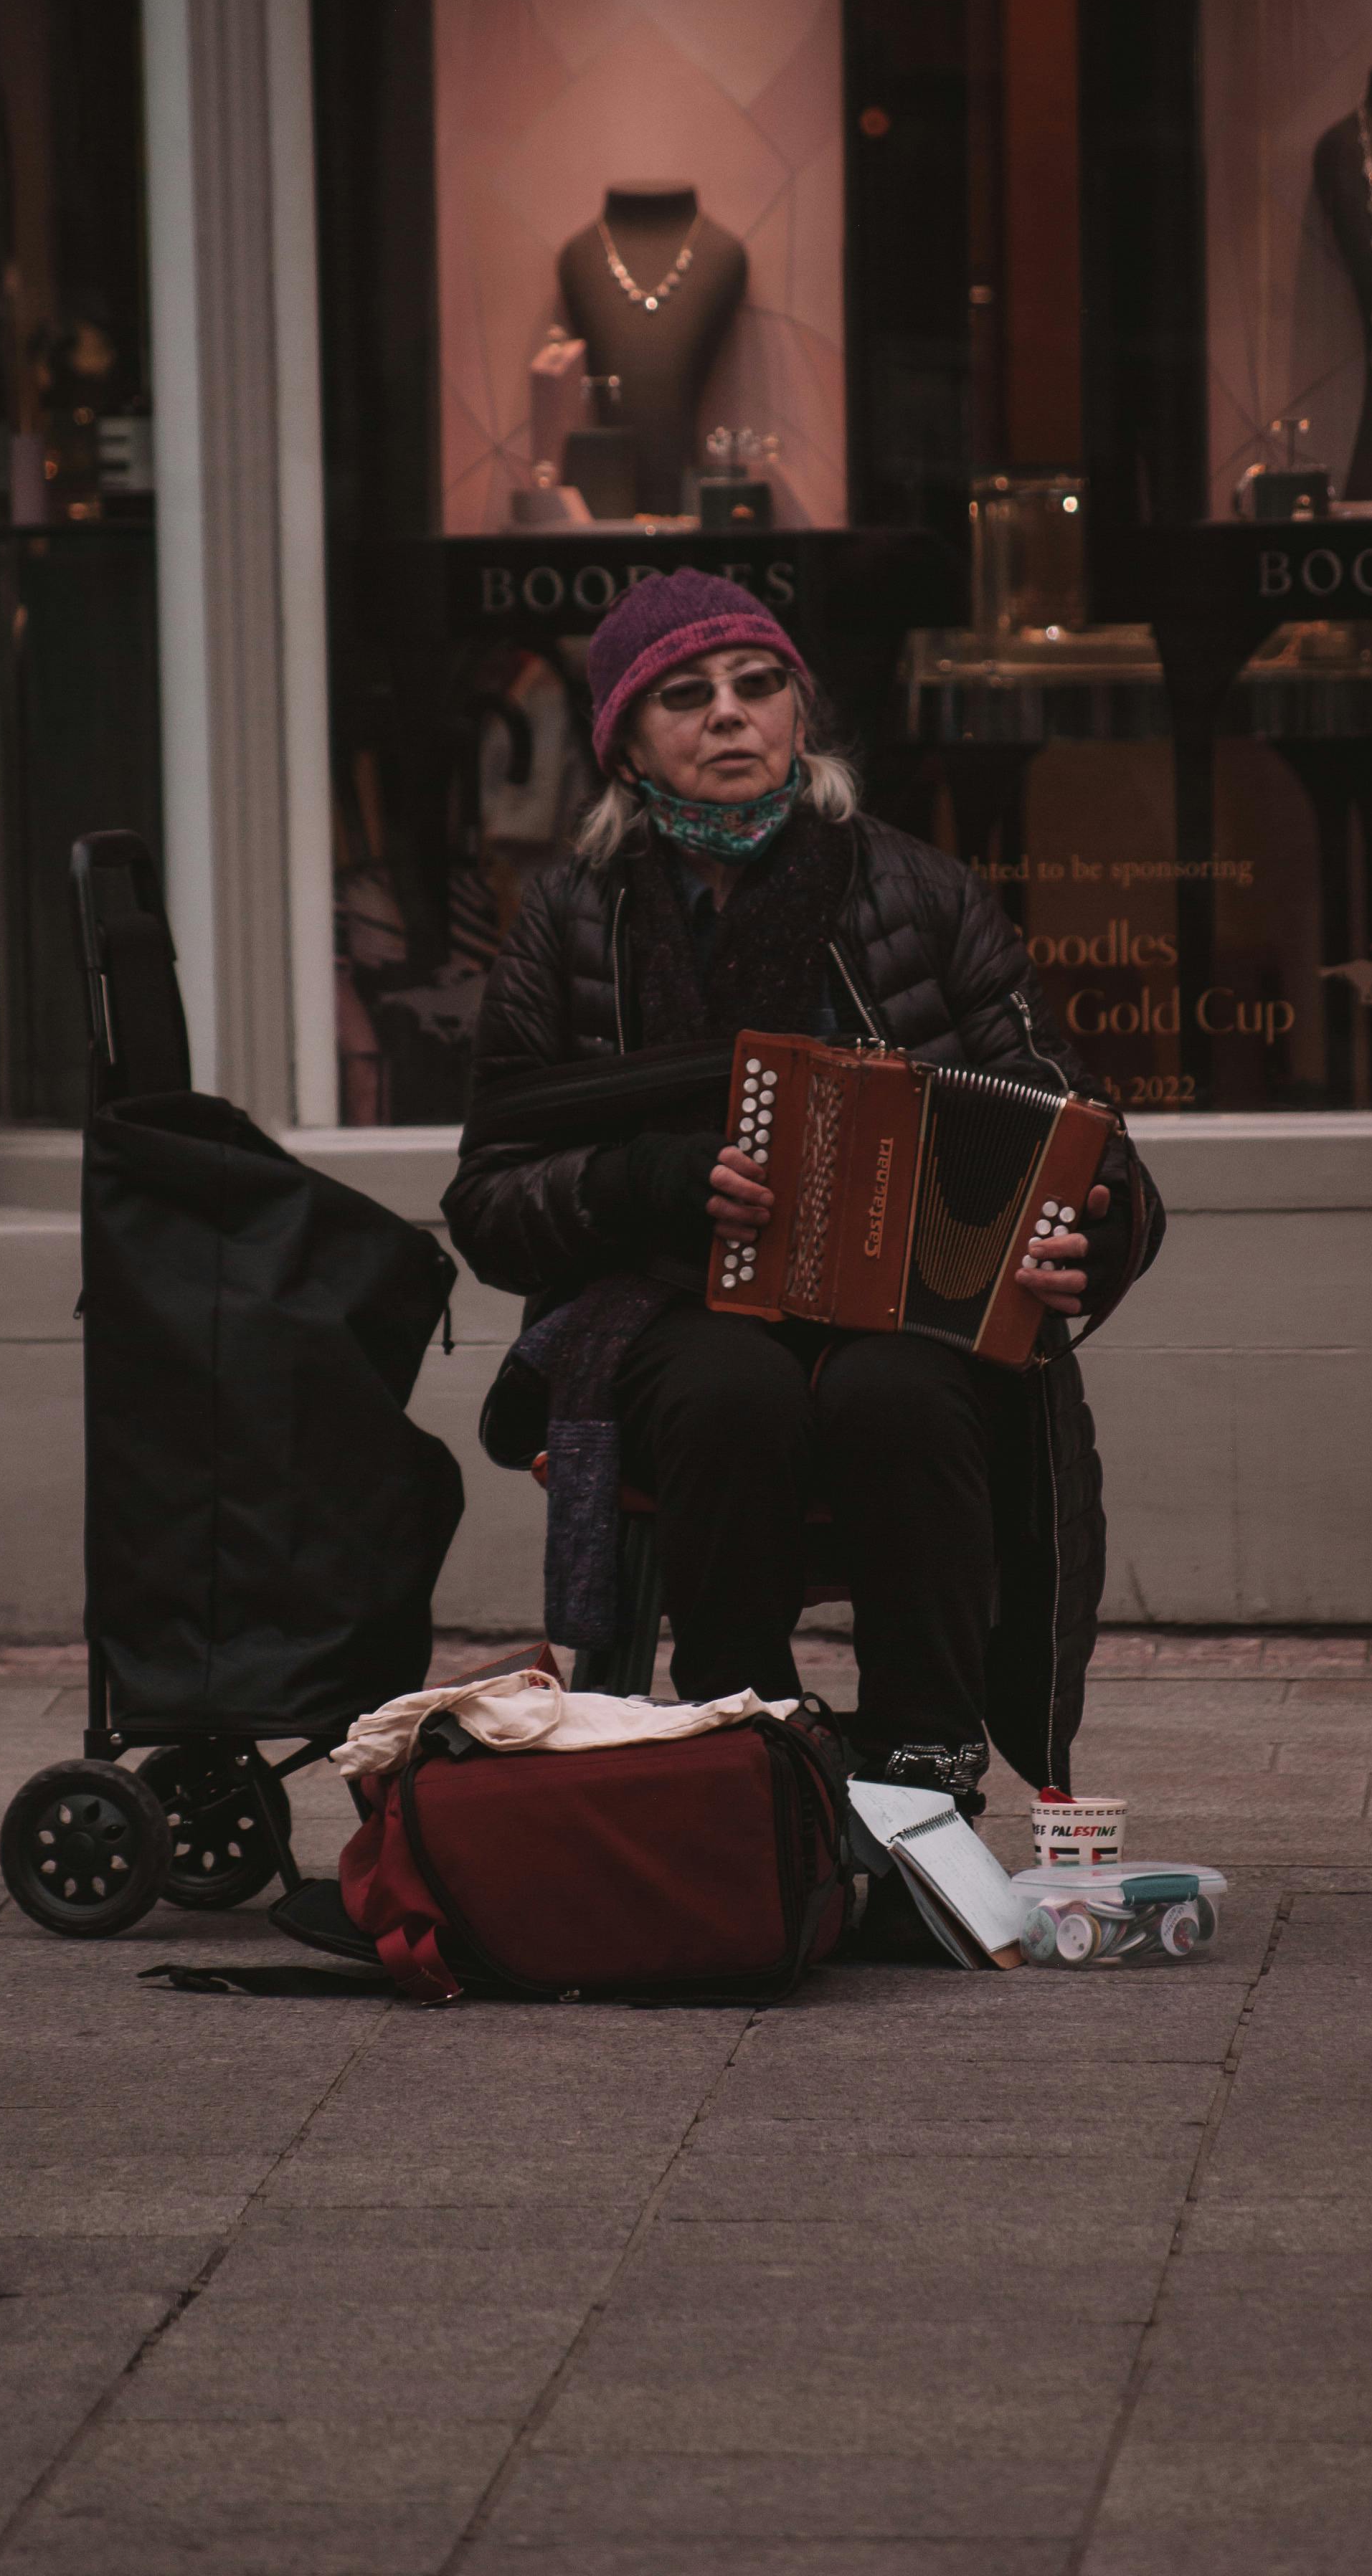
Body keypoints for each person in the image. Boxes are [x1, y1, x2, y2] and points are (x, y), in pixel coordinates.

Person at [442, 569, 1163, 1851]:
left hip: (905, 1306)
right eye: (685, 696)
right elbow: (490, 1201)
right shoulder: (568, 917)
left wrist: (1085, 1238)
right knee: (733, 1394)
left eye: (756, 685)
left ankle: (924, 1772)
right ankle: (748, 1745)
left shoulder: (918, 889)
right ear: (626, 740)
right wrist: (646, 1180)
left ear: (799, 709)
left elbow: (1076, 1124)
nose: (729, 717)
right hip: (665, 1300)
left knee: (900, 1395)